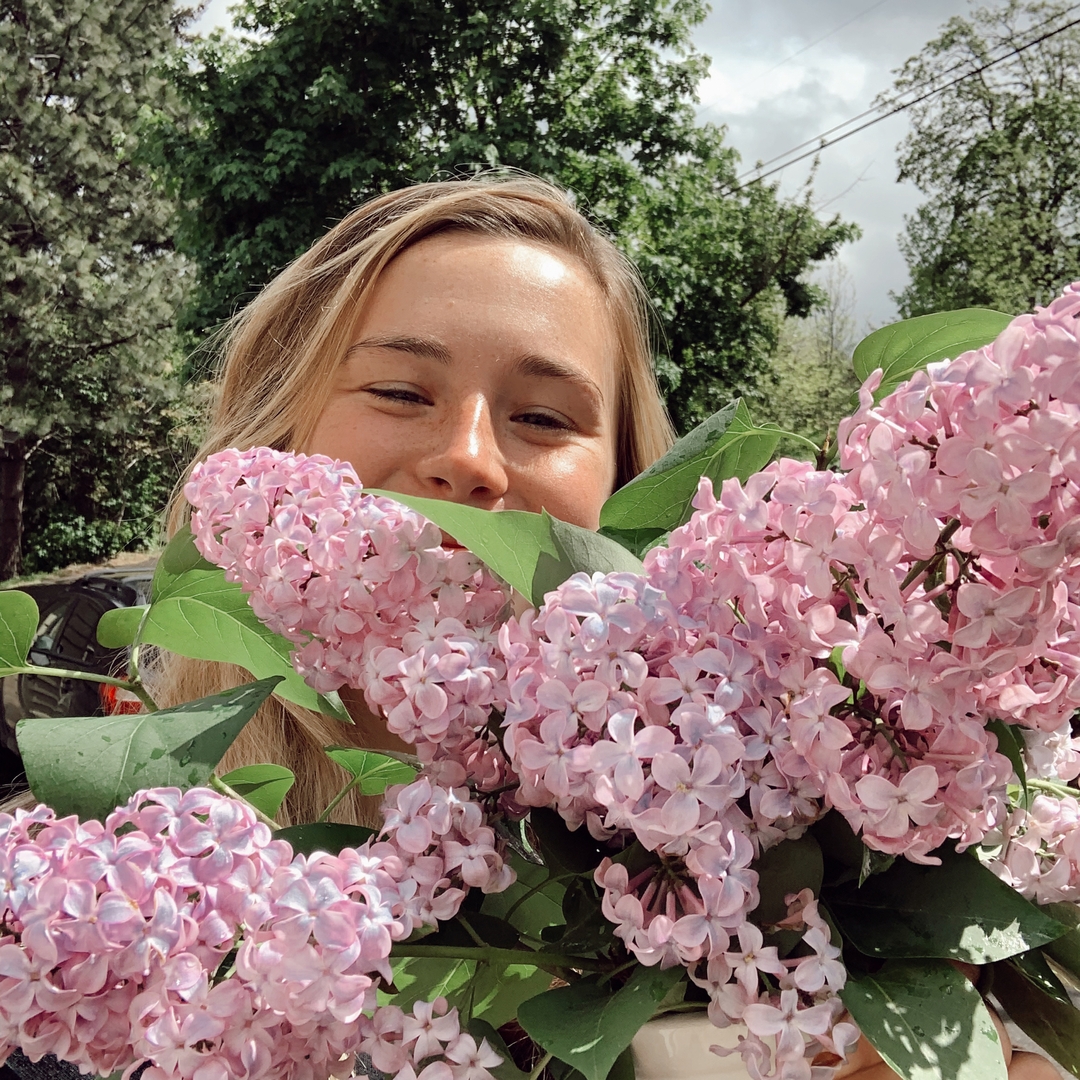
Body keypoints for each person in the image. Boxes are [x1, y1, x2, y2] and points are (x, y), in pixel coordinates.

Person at [146, 175, 1057, 1080]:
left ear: (627, 484)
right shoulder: (145, 894)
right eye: (398, 391)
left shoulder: (798, 808)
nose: (469, 457)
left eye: (543, 417)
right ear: (278, 433)